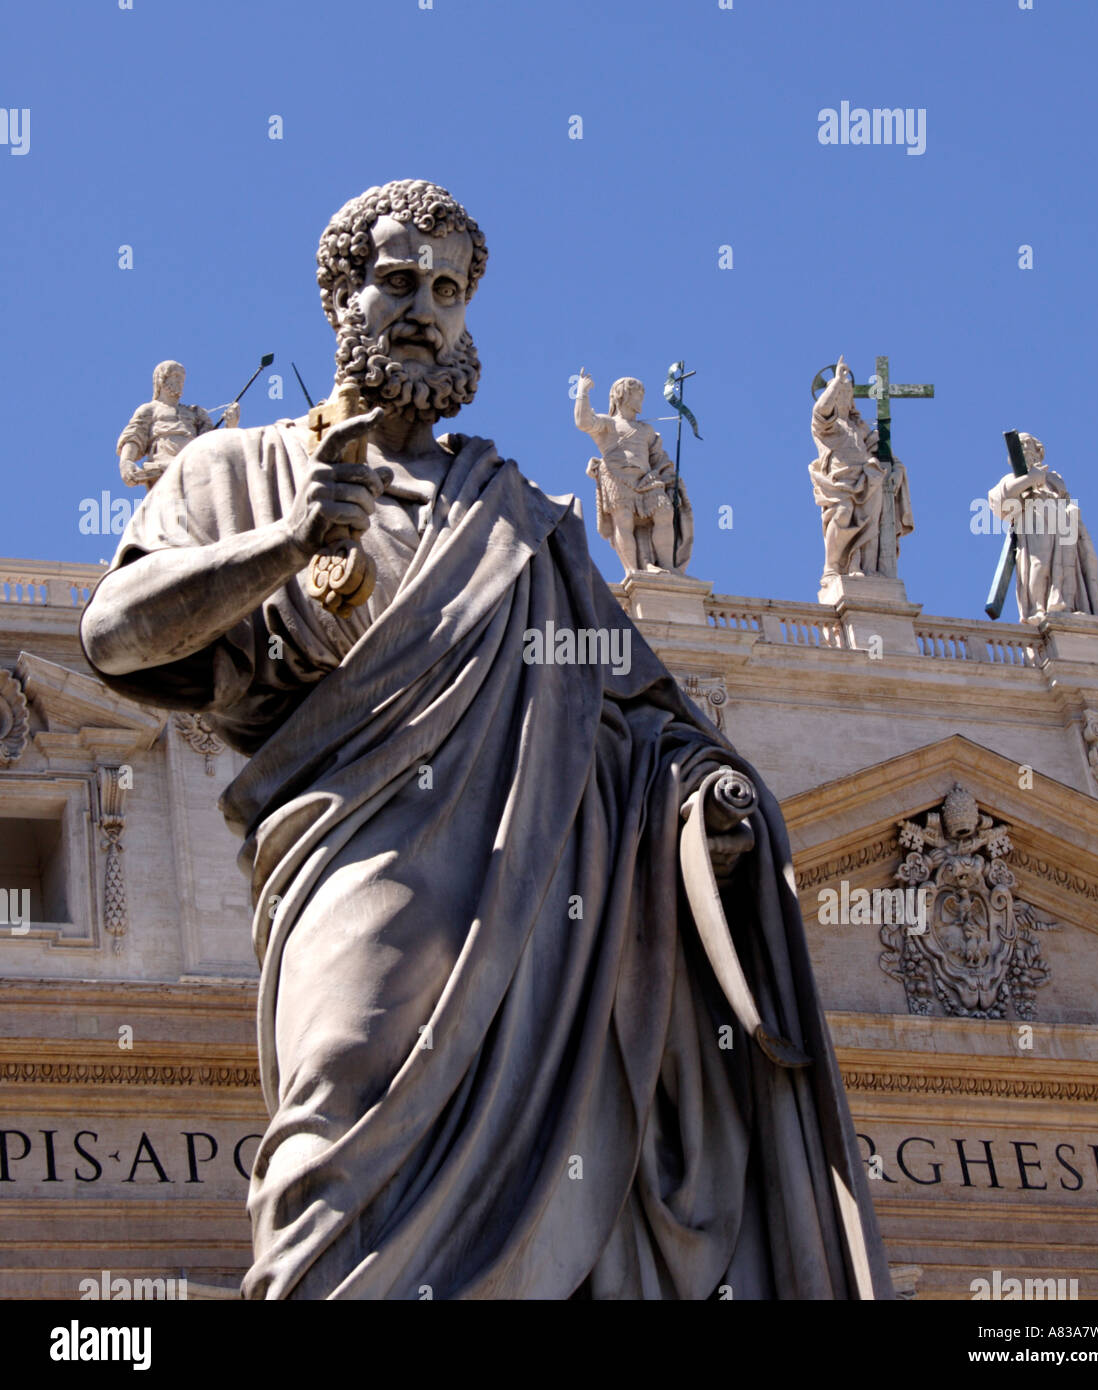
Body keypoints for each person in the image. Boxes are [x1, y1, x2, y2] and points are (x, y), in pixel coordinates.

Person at [80, 180, 891, 1301]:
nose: (424, 307)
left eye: (449, 290)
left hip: (543, 908)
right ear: (341, 298)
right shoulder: (236, 471)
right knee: (340, 1098)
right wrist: (286, 542)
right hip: (355, 859)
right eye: (399, 280)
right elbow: (115, 636)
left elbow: (643, 716)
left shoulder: (519, 519)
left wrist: (703, 801)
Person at [575, 371, 692, 573]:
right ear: (624, 395)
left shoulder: (646, 430)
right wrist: (582, 391)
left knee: (664, 513)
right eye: (638, 395)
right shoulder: (608, 423)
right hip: (616, 477)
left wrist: (670, 480)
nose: (642, 400)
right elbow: (583, 422)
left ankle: (666, 566)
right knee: (624, 521)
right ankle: (633, 569)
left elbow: (659, 460)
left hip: (647, 480)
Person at [810, 356, 912, 585]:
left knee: (870, 523)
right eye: (839, 394)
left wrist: (897, 471)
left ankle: (860, 566)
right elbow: (820, 410)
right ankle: (832, 567)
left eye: (847, 394)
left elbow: (884, 452)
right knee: (843, 512)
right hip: (840, 481)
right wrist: (836, 382)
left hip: (869, 480)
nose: (844, 398)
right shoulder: (825, 426)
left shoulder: (859, 427)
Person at [987, 433, 1098, 622]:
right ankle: (1037, 609)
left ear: (1038, 450)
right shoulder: (1010, 478)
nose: (1025, 447)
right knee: (1038, 564)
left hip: (1061, 523)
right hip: (1033, 521)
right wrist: (1031, 479)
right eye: (1020, 445)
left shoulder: (1054, 477)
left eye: (1028, 443)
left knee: (1068, 566)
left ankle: (1066, 604)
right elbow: (1001, 498)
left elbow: (1064, 495)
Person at [116, 361, 238, 489]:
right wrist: (126, 461)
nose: (180, 381)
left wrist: (230, 426)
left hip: (194, 466)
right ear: (161, 379)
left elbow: (209, 444)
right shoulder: (150, 409)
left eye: (182, 377)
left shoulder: (196, 412)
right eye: (175, 375)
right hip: (162, 467)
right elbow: (134, 437)